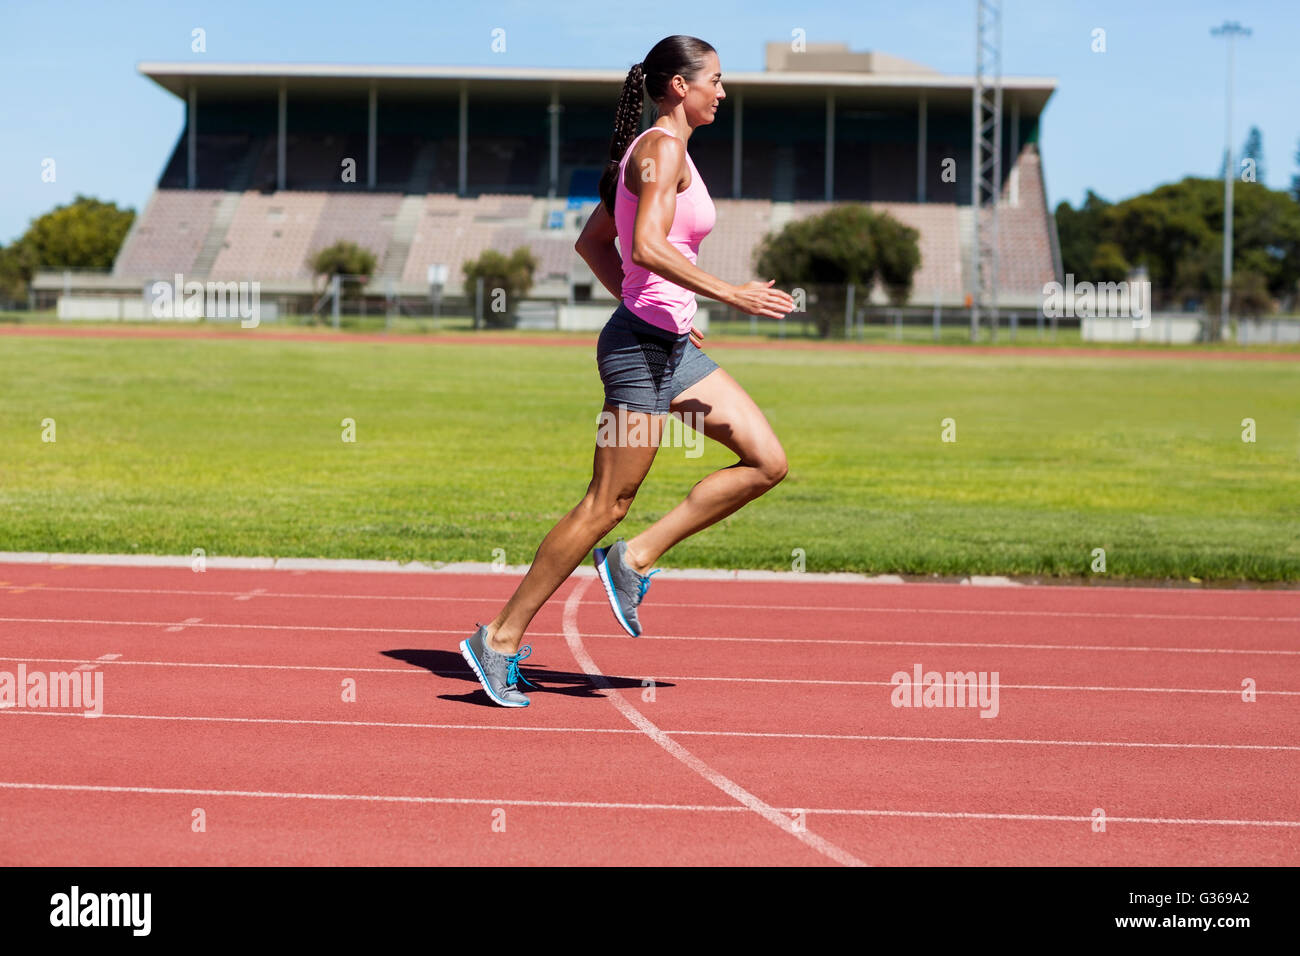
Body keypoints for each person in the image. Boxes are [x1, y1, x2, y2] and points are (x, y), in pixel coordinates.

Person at [460, 34, 793, 707]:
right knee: (605, 503)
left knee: (766, 461)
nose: (722, 93)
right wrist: (731, 293)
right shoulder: (661, 150)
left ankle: (633, 559)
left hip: (674, 348)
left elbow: (595, 243)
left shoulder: (664, 152)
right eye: (716, 81)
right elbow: (642, 245)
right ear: (679, 85)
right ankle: (496, 640)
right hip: (638, 354)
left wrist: (664, 302)